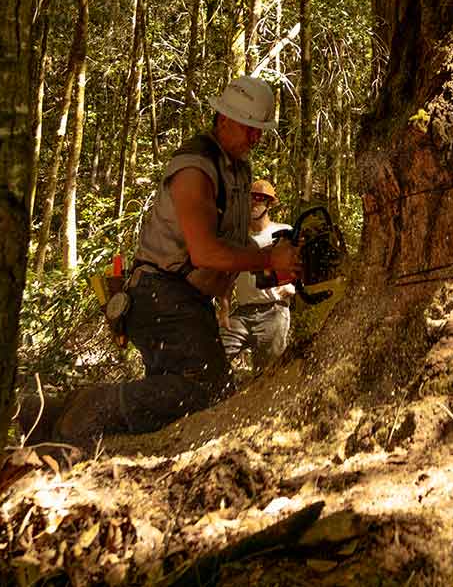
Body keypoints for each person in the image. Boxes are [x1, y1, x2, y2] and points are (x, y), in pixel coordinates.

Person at [45, 76, 304, 444]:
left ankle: (57, 411)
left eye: (260, 131)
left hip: (187, 301)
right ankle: (90, 408)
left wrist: (281, 263)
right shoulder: (195, 169)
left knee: (174, 393)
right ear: (224, 119)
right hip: (159, 295)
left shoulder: (238, 171)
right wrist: (266, 257)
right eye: (249, 128)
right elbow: (205, 253)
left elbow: (232, 245)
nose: (255, 138)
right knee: (205, 392)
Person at [220, 176, 293, 373]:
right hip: (243, 313)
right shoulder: (239, 239)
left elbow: (302, 270)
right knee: (216, 358)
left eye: (260, 198)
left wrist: (291, 287)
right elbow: (229, 277)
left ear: (269, 203)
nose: (254, 203)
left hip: (273, 311)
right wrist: (224, 308)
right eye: (250, 198)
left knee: (267, 373)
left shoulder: (284, 232)